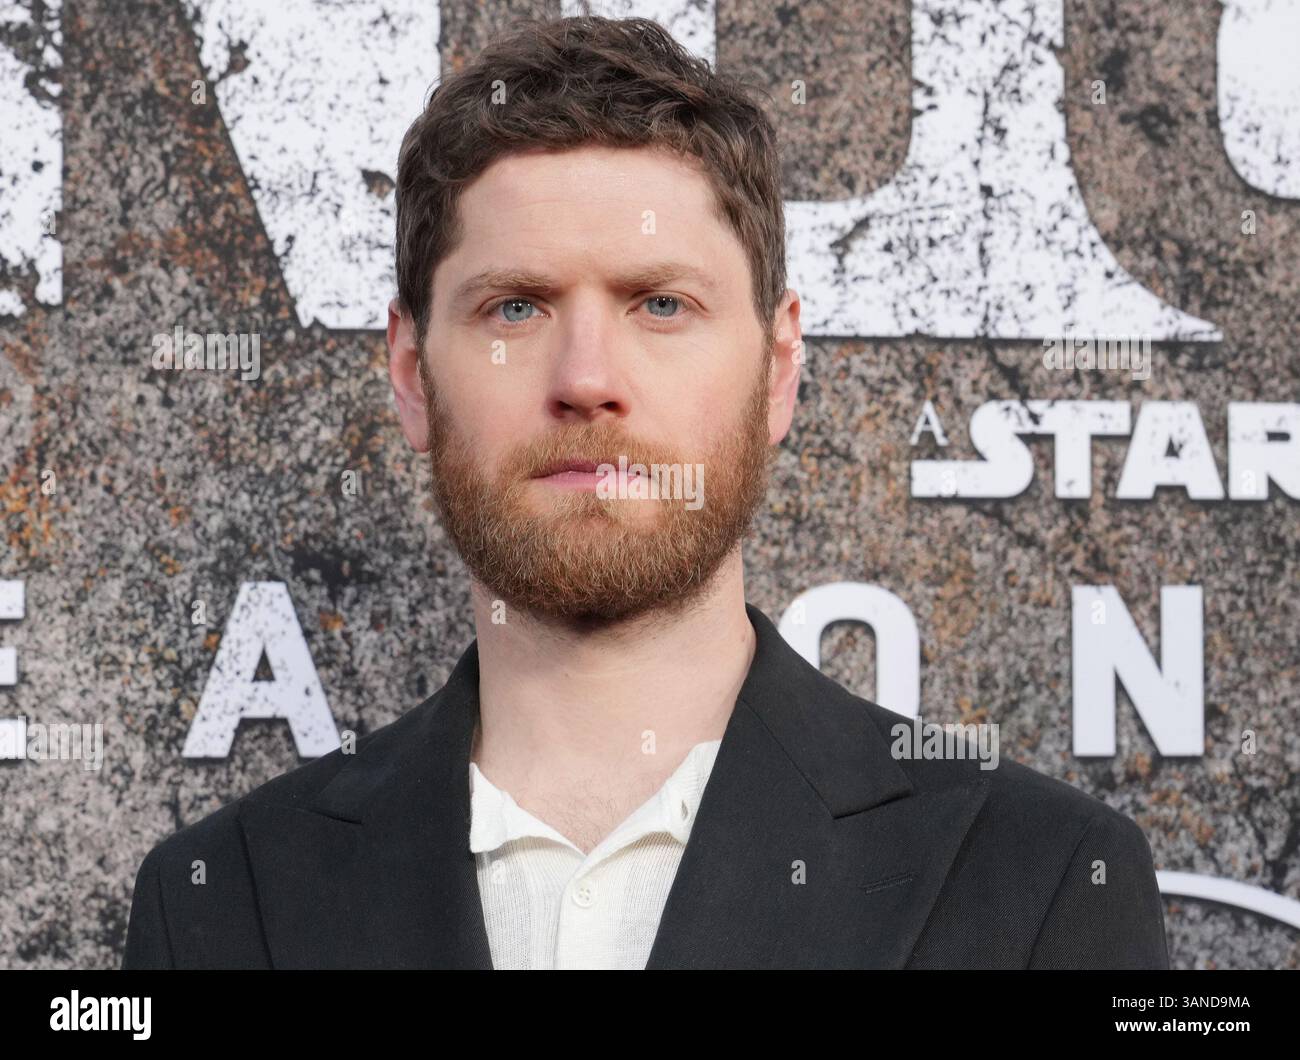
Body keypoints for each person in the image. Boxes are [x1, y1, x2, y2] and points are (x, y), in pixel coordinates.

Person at [122, 14, 1168, 970]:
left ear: (778, 366)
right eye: (516, 308)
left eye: (660, 303)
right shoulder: (222, 906)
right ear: (410, 374)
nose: (586, 379)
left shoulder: (1039, 882)